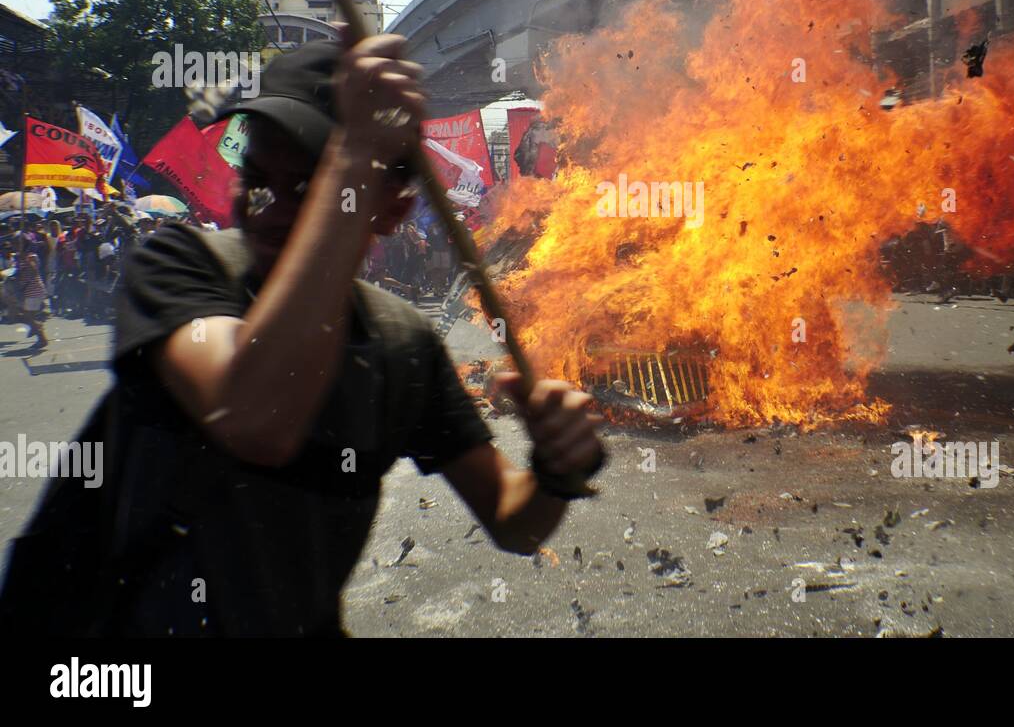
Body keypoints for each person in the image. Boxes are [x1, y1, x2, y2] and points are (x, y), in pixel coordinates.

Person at [0, 35, 604, 637]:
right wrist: (353, 164)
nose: (263, 207)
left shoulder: (400, 344)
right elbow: (251, 414)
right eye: (257, 175)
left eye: (304, 188)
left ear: (391, 210)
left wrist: (555, 469)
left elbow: (510, 519)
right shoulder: (181, 264)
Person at [16, 251, 48, 349]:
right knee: (30, 315)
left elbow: (26, 276)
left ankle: (41, 337)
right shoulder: (29, 258)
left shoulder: (27, 261)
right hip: (36, 290)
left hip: (33, 292)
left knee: (28, 317)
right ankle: (38, 332)